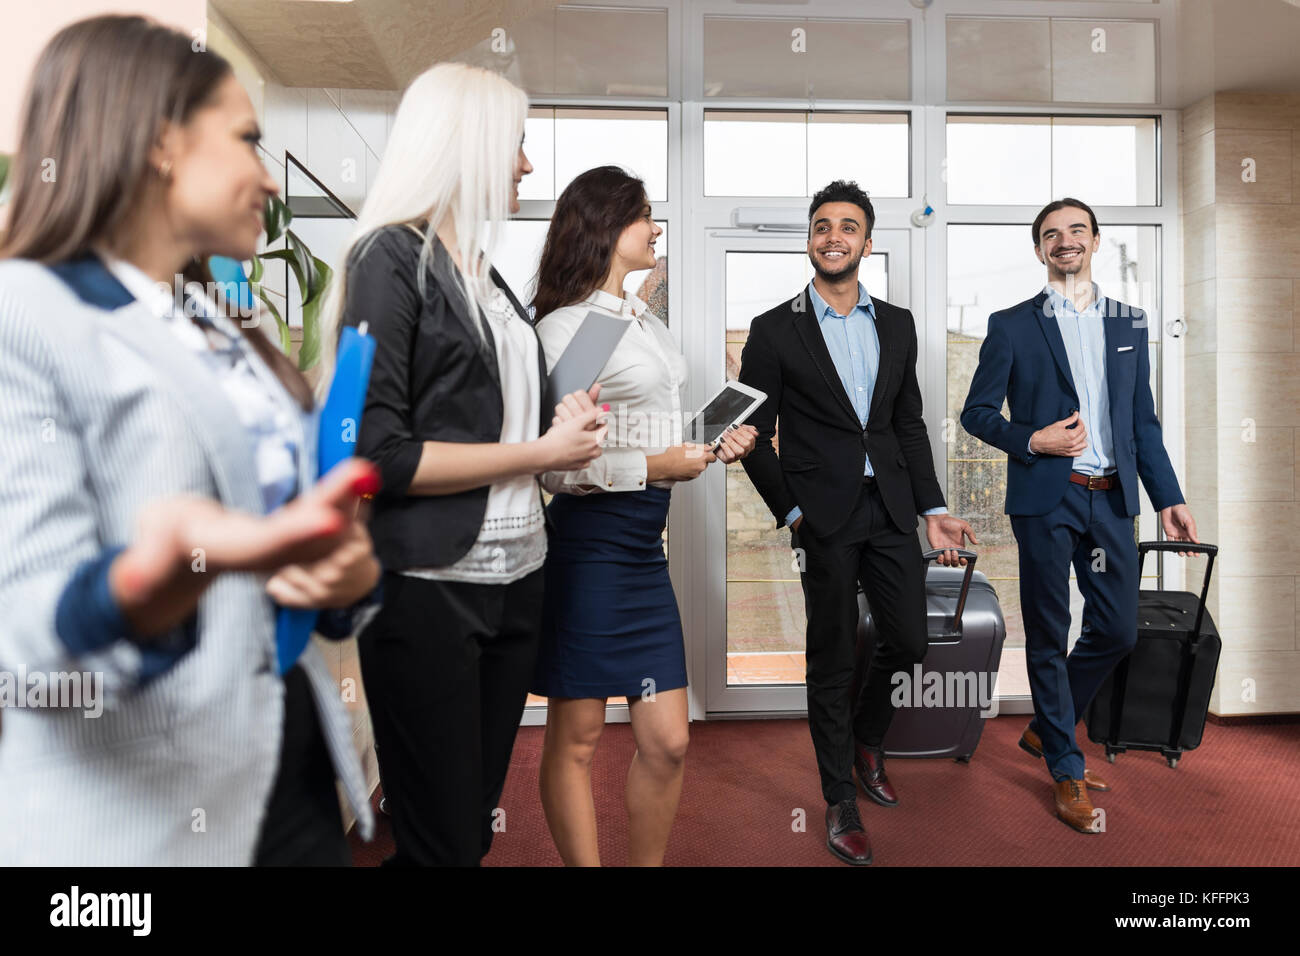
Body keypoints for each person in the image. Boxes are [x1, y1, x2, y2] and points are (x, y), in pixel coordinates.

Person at [0, 14, 377, 865]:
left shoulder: (212, 321)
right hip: (135, 813)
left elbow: (274, 547)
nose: (269, 180)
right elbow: (20, 637)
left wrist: (342, 577)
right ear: (162, 142)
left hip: (281, 766)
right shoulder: (24, 313)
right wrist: (151, 577)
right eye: (247, 140)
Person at [321, 62, 605, 866]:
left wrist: (561, 427)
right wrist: (540, 450)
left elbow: (500, 420)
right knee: (442, 836)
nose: (525, 165)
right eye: (516, 145)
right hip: (429, 592)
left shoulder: (488, 277)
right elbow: (377, 453)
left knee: (467, 826)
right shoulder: (389, 257)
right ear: (469, 145)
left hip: (518, 580)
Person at [738, 180, 976, 866]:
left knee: (908, 641)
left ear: (868, 243)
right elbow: (752, 433)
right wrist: (795, 511)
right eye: (821, 226)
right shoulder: (774, 329)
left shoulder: (897, 324)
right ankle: (839, 796)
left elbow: (907, 424)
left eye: (847, 227)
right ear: (809, 240)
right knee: (832, 653)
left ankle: (869, 738)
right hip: (826, 519)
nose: (833, 236)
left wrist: (932, 508)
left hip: (893, 511)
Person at [529, 165, 757, 867]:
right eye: (644, 217)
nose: (656, 228)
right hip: (592, 553)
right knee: (577, 739)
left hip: (641, 556)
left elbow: (641, 422)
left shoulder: (635, 318)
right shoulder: (584, 328)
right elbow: (552, 465)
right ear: (604, 226)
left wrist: (704, 443)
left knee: (668, 739)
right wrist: (656, 467)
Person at [960, 197, 1199, 833]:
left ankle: (1047, 727)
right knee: (1047, 627)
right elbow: (977, 414)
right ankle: (1066, 768)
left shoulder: (1129, 322)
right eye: (1051, 235)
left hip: (1114, 495)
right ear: (1039, 250)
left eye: (1076, 231)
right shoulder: (1011, 325)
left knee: (1117, 630)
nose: (1064, 242)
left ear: (1095, 242)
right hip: (1047, 498)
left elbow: (1140, 422)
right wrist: (1033, 439)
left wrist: (1168, 496)